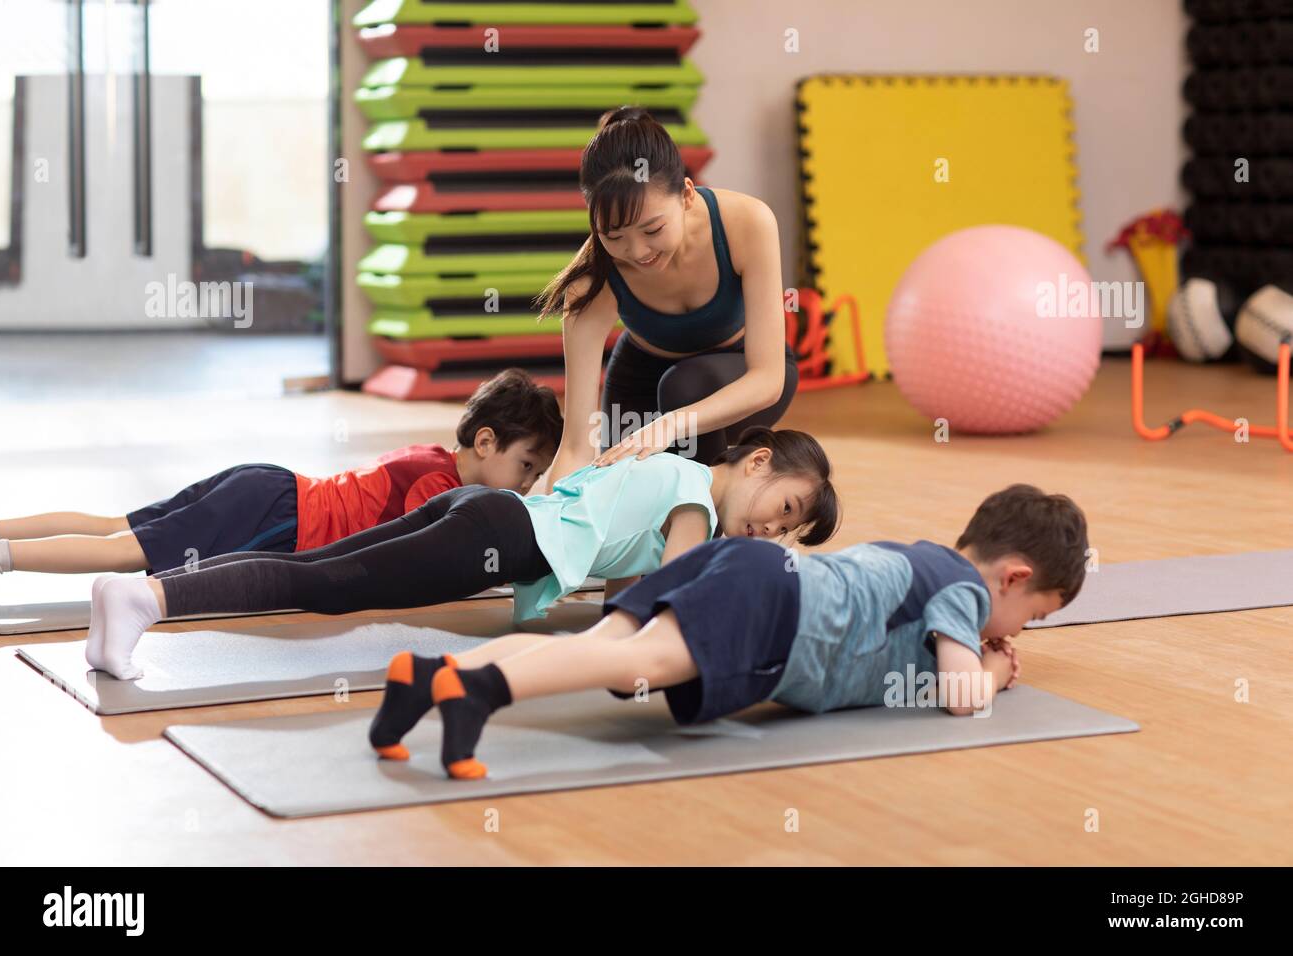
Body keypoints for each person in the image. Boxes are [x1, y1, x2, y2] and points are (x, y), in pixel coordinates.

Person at [365, 484, 1087, 778]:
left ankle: (426, 677)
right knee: (637, 661)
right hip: (776, 610)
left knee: (600, 649)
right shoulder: (962, 591)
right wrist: (995, 669)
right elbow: (963, 694)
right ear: (1014, 576)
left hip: (752, 566)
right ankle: (479, 692)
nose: (1024, 630)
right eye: (1037, 616)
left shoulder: (926, 558)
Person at [86, 427, 838, 681]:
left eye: (789, 532)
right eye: (786, 510)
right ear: (759, 463)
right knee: (326, 583)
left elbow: (626, 588)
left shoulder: (673, 477)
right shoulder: (695, 501)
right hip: (494, 535)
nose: (775, 531)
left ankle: (142, 596)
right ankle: (147, 601)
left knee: (324, 571)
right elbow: (669, 596)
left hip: (486, 515)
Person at [0, 368, 560, 577]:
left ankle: (2, 532)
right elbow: (419, 562)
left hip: (267, 486)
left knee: (115, 525)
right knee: (125, 552)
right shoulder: (440, 487)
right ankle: (3, 557)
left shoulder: (429, 458)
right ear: (486, 442)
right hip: (277, 514)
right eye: (526, 467)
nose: (527, 485)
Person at [534, 106, 799, 490]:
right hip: (642, 378)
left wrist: (671, 424)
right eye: (614, 236)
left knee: (684, 392)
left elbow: (767, 378)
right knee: (619, 487)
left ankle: (711, 536)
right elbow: (577, 445)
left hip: (739, 377)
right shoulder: (590, 281)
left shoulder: (748, 222)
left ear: (687, 195)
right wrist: (551, 522)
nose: (638, 251)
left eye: (652, 229)